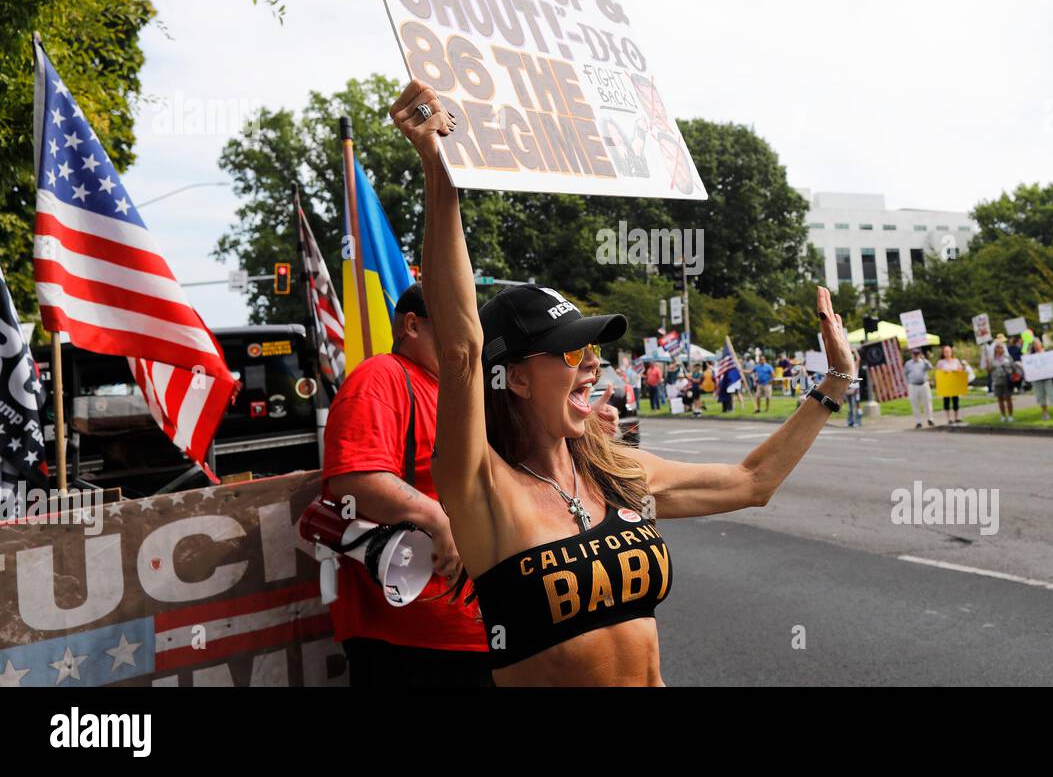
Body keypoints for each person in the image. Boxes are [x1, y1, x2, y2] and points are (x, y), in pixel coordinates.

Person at [391, 79, 858, 685]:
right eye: (568, 351)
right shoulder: (481, 486)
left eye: (591, 348)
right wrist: (439, 168)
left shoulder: (617, 476)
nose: (591, 362)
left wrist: (837, 383)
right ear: (519, 380)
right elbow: (460, 349)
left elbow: (753, 482)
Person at [321, 283, 489, 686]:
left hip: (471, 625)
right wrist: (436, 517)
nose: (467, 342)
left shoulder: (457, 391)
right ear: (412, 325)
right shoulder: (382, 375)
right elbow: (353, 478)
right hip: (413, 632)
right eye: (454, 328)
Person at [1026, 339, 1053, 421]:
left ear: (1040, 344)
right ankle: (1045, 413)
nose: (1036, 345)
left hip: (1049, 378)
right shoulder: (1031, 356)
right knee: (1040, 396)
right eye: (1034, 344)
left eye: (1037, 343)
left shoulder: (1048, 353)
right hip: (1037, 378)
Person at [989, 342, 1021, 422]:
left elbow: (1014, 368)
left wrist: (1015, 377)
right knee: (1000, 399)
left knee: (1008, 398)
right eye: (998, 348)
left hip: (1007, 381)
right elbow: (990, 370)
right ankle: (1003, 415)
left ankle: (1010, 415)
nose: (1000, 349)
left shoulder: (1008, 358)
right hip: (997, 381)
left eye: (1001, 347)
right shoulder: (993, 359)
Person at [903, 346, 934, 428]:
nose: (916, 355)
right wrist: (908, 382)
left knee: (927, 402)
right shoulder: (908, 363)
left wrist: (925, 360)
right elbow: (905, 373)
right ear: (912, 354)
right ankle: (918, 421)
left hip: (923, 384)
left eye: (917, 354)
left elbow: (930, 367)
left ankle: (930, 419)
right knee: (915, 403)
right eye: (914, 354)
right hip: (913, 385)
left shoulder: (923, 362)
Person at [935, 344, 965, 425]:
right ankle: (949, 418)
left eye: (948, 351)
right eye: (945, 352)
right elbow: (937, 372)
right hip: (946, 385)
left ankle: (956, 417)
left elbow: (960, 370)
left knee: (956, 400)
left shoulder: (956, 361)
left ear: (951, 352)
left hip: (954, 385)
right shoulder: (941, 362)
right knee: (946, 401)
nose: (947, 353)